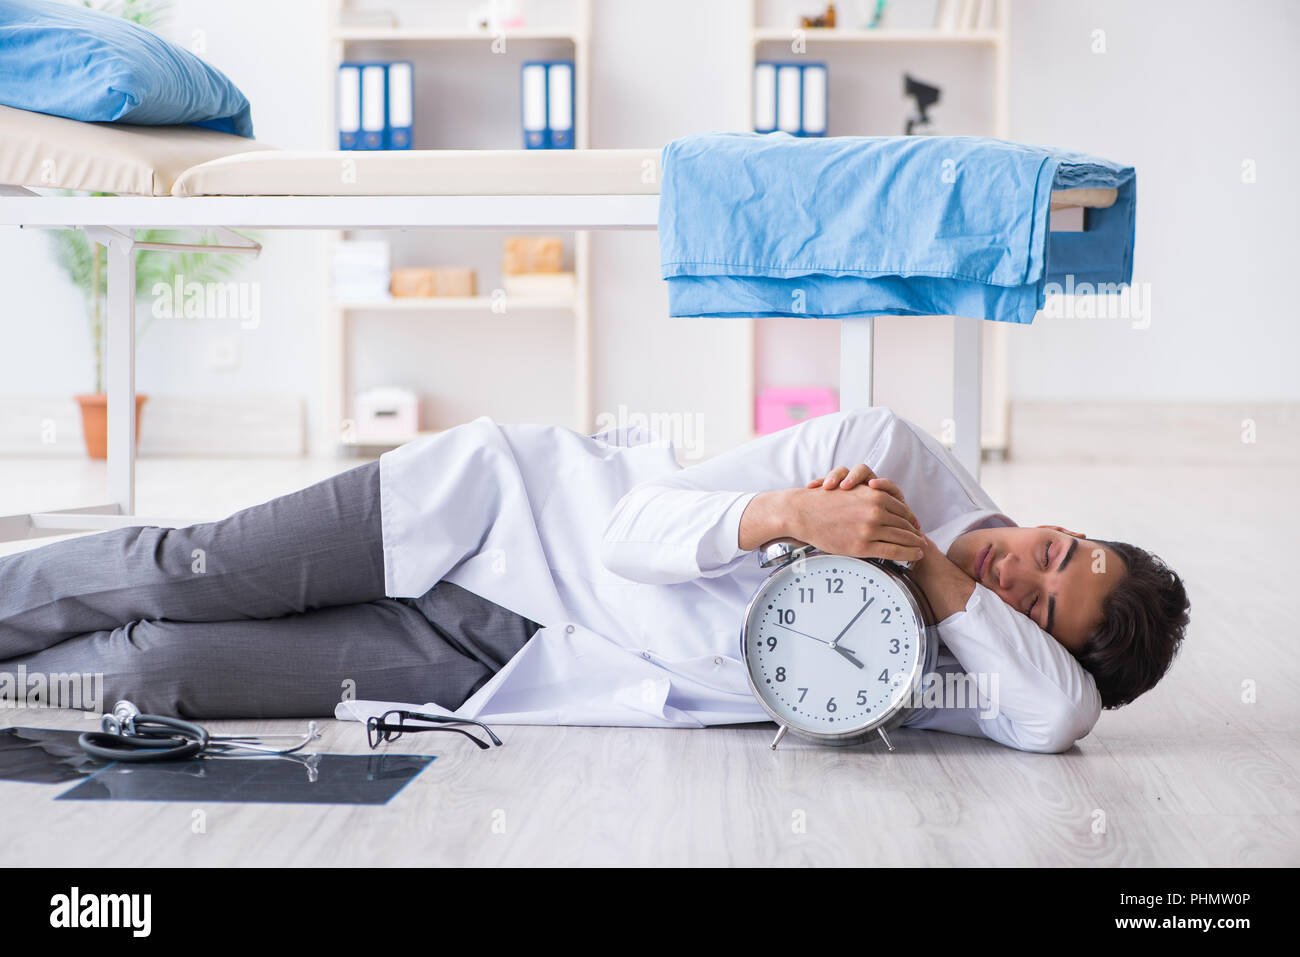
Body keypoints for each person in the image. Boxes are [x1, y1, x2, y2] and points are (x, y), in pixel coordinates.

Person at [0, 406, 1190, 753]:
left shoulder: (969, 662)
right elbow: (630, 527)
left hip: (506, 658)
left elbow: (1059, 715)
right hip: (491, 518)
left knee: (163, 668)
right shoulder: (891, 450)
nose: (1015, 570)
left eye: (1038, 609)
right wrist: (786, 513)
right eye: (1051, 550)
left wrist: (927, 568)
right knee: (182, 572)